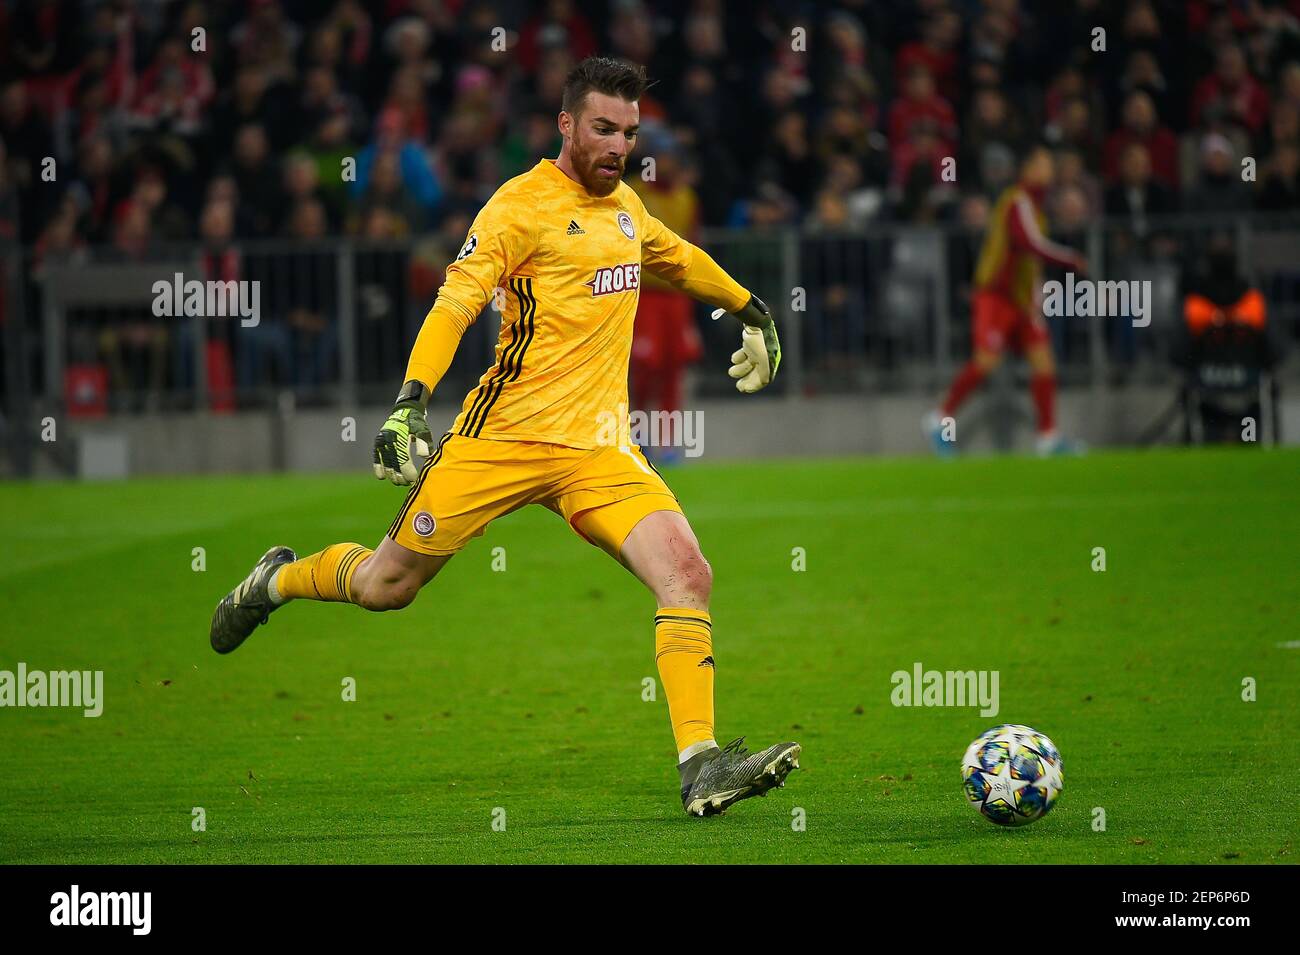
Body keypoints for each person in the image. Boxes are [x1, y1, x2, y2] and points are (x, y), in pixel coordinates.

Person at [208, 57, 799, 817]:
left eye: (628, 132)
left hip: (597, 447)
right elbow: (456, 302)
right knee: (386, 586)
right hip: (502, 439)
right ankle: (277, 578)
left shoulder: (626, 209)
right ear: (565, 124)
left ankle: (701, 764)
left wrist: (751, 307)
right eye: (602, 129)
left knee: (688, 570)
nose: (618, 146)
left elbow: (674, 258)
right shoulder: (517, 208)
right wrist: (409, 402)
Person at [926, 145, 1088, 456]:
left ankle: (1047, 437)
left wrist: (1036, 293)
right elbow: (1028, 243)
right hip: (996, 296)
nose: (1048, 170)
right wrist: (1070, 258)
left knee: (1043, 363)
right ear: (1027, 168)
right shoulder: (1017, 201)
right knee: (986, 362)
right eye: (1042, 164)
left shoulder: (1035, 208)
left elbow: (1028, 260)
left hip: (1021, 299)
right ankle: (939, 418)